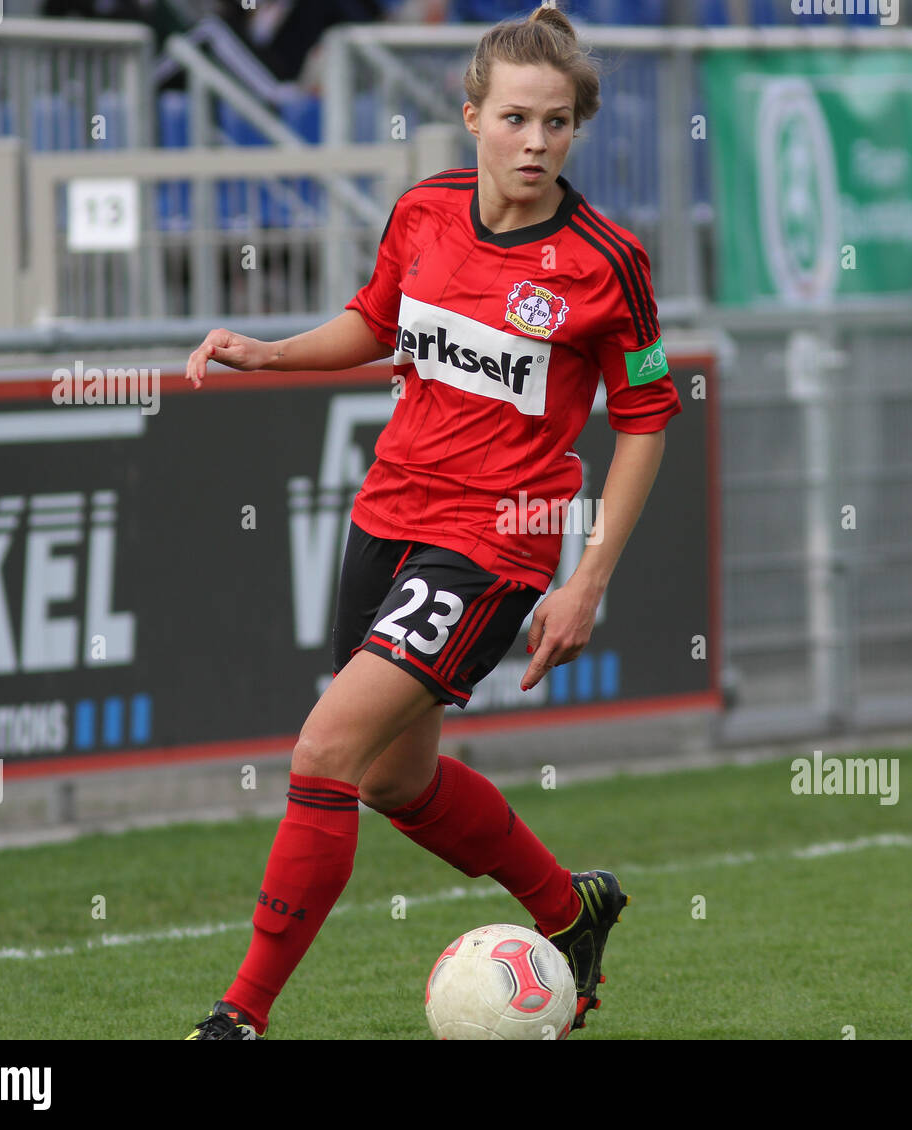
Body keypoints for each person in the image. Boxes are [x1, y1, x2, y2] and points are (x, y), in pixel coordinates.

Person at [182, 3, 680, 1040]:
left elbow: (644, 420)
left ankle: (240, 1014)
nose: (535, 142)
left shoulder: (605, 261)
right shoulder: (423, 212)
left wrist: (586, 577)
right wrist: (271, 352)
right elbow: (376, 319)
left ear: (576, 129)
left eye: (556, 123)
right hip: (387, 515)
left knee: (322, 751)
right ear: (471, 117)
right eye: (514, 119)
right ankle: (567, 907)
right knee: (391, 776)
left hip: (494, 544)